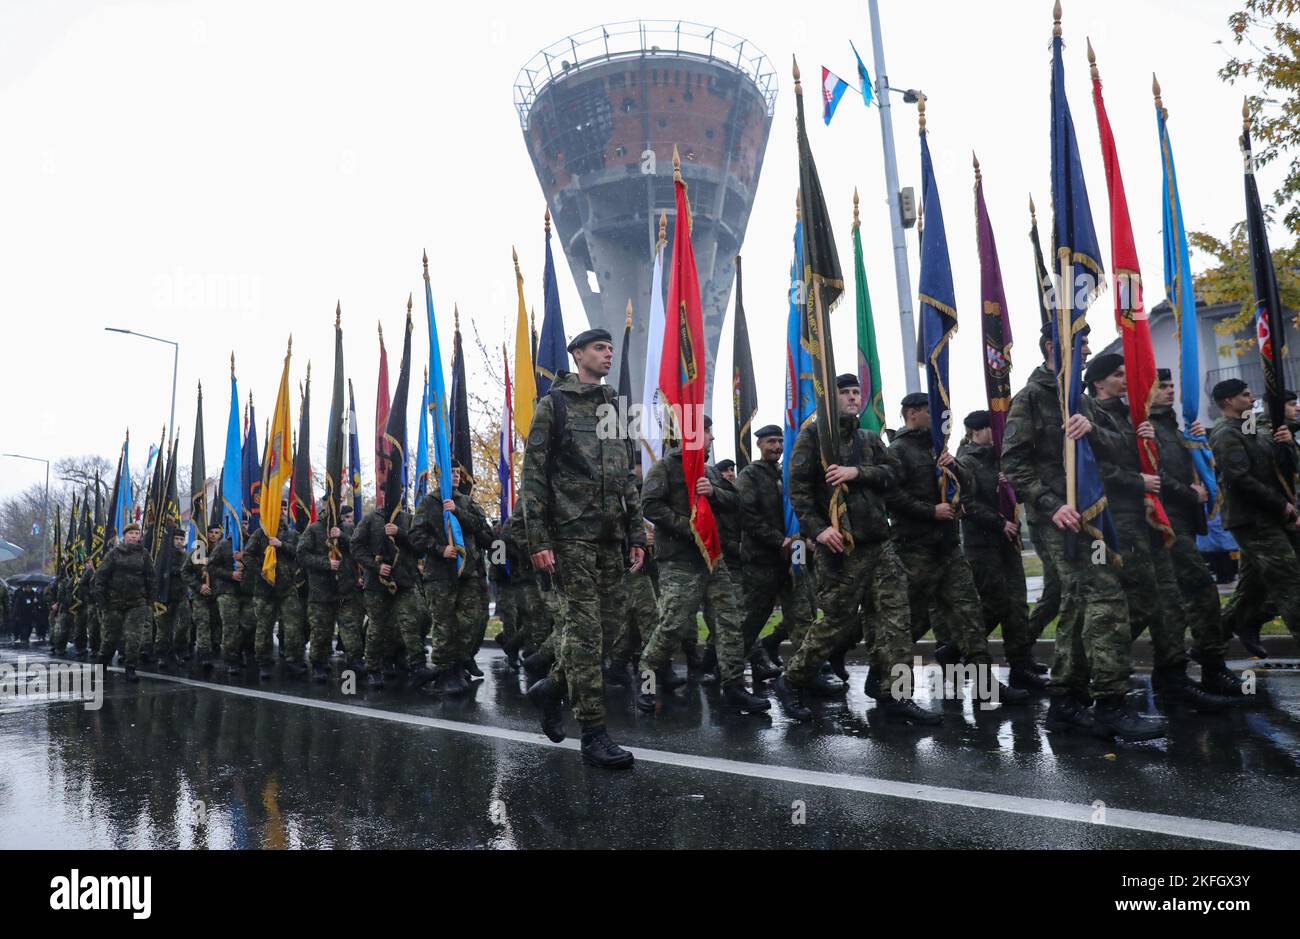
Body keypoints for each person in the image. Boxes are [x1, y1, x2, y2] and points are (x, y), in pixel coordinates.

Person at [1002, 326, 1165, 740]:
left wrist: (1093, 430)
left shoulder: (1082, 400)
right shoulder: (1032, 398)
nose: (1089, 349)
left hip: (1095, 512)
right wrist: (1050, 504)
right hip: (1060, 518)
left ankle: (1065, 701)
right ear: (1054, 347)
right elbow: (1013, 464)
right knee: (1104, 595)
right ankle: (1110, 702)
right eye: (1082, 343)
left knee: (1077, 605)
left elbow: (1120, 446)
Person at [773, 374, 939, 725]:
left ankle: (896, 693)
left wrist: (856, 472)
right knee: (836, 623)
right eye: (844, 392)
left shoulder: (868, 437)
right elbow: (798, 491)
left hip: (879, 542)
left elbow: (893, 474)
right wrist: (818, 531)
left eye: (855, 392)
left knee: (895, 621)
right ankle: (791, 681)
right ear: (830, 399)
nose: (852, 397)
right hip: (841, 547)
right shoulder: (813, 437)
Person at [520, 327, 645, 769]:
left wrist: (636, 532)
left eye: (611, 348)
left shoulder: (614, 407)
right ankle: (593, 733)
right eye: (599, 348)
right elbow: (533, 475)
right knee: (586, 635)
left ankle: (551, 688)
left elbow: (627, 475)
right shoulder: (554, 404)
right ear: (577, 354)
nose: (608, 354)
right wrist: (538, 538)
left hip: (611, 538)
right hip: (570, 536)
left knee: (611, 632)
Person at [1085, 354, 1230, 712]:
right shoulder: (1092, 414)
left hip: (1155, 519)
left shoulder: (1135, 415)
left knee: (1168, 599)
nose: (1127, 380)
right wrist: (1140, 480)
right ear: (1100, 381)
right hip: (1123, 521)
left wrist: (1196, 439)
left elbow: (1155, 459)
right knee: (1142, 600)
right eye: (1119, 375)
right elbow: (1094, 468)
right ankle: (1093, 675)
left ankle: (1173, 678)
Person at [887, 393, 1029, 706]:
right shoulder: (897, 450)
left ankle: (985, 688)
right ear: (912, 413)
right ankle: (890, 689)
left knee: (970, 619)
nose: (938, 418)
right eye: (930, 411)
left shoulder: (937, 446)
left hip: (948, 548)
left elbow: (968, 488)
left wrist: (955, 467)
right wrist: (930, 511)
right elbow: (891, 497)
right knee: (903, 624)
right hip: (914, 549)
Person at [636, 415, 769, 715]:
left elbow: (736, 502)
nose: (711, 439)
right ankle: (645, 680)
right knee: (672, 625)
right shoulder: (666, 468)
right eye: (707, 433)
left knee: (729, 622)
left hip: (713, 558)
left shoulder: (709, 471)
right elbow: (650, 505)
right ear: (691, 435)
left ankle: (734, 686)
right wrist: (687, 527)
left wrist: (715, 491)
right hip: (680, 560)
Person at [1149, 369, 1246, 696]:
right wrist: (1191, 493)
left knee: (1175, 597)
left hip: (1186, 520)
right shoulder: (1148, 428)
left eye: (1172, 384)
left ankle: (1177, 671)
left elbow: (1201, 463)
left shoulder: (1177, 428)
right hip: (1167, 520)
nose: (1170, 390)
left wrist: (1197, 441)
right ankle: (1204, 665)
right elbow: (1154, 473)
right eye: (1162, 386)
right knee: (1197, 590)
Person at [955, 410, 1047, 690]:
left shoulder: (1000, 461)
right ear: (976, 431)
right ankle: (959, 648)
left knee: (1017, 604)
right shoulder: (966, 463)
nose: (997, 436)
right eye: (991, 430)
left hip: (1009, 540)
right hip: (983, 543)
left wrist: (1010, 487)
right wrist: (998, 522)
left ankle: (1020, 663)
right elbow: (966, 504)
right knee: (995, 603)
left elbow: (1015, 494)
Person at [1209, 379, 1300, 650]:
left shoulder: (1246, 426)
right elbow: (1239, 479)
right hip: (1253, 519)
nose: (1252, 399)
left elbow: (1266, 454)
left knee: (1253, 587)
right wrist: (1281, 505)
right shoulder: (1225, 433)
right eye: (1245, 395)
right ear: (1228, 401)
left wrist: (1283, 439)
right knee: (1290, 582)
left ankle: (1210, 645)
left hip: (1271, 516)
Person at [734, 424, 814, 680]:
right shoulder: (750, 475)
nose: (777, 447)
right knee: (752, 619)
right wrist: (778, 540)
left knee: (802, 613)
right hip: (762, 560)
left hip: (794, 555)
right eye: (771, 442)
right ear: (759, 445)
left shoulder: (787, 475)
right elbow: (745, 515)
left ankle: (806, 672)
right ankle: (728, 670)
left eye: (780, 442)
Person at [412, 465, 495, 696]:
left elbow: (479, 525)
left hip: (466, 573)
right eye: (452, 472)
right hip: (439, 574)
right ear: (441, 477)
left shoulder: (465, 501)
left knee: (470, 621)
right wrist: (439, 549)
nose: (456, 475)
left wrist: (456, 510)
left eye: (458, 472)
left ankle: (459, 663)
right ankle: (445, 671)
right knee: (444, 624)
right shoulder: (429, 503)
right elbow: (415, 535)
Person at [351, 491, 436, 690]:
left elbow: (420, 548)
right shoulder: (371, 519)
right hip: (376, 584)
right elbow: (355, 546)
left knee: (410, 623)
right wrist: (374, 565)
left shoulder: (408, 519)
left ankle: (417, 666)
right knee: (377, 627)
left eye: (400, 491)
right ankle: (372, 669)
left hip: (403, 581)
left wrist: (400, 533)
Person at [298, 500, 366, 682]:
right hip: (322, 591)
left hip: (346, 590)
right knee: (321, 630)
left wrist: (341, 536)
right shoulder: (313, 529)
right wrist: (326, 563)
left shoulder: (348, 528)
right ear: (325, 506)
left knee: (350, 628)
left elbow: (358, 548)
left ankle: (356, 660)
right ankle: (319, 663)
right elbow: (302, 554)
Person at [244, 498, 308, 679]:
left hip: (287, 587)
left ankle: (293, 659)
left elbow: (300, 552)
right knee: (264, 627)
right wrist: (262, 571)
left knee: (293, 626)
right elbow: (247, 555)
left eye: (284, 508)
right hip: (264, 589)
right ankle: (264, 662)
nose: (282, 511)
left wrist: (282, 545)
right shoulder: (260, 534)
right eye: (278, 507)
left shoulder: (292, 534)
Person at [91, 522, 154, 682]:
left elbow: (151, 578)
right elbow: (100, 578)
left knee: (134, 638)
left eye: (137, 533)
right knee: (110, 639)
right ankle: (102, 666)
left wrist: (149, 600)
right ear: (124, 536)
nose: (134, 536)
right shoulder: (113, 554)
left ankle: (130, 668)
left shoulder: (144, 554)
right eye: (131, 533)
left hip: (136, 603)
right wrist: (101, 602)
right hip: (114, 603)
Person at [183, 523, 224, 672]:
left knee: (216, 623)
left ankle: (215, 646)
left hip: (219, 593)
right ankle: (204, 654)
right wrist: (199, 586)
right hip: (201, 594)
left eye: (217, 532)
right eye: (211, 532)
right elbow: (185, 572)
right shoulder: (199, 550)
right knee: (202, 622)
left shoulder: (225, 549)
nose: (213, 535)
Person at [152, 528, 190, 669]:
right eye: (176, 539)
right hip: (163, 596)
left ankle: (178, 651)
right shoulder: (163, 556)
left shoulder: (186, 556)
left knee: (183, 625)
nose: (179, 542)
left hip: (181, 596)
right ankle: (162, 654)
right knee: (164, 629)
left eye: (181, 539)